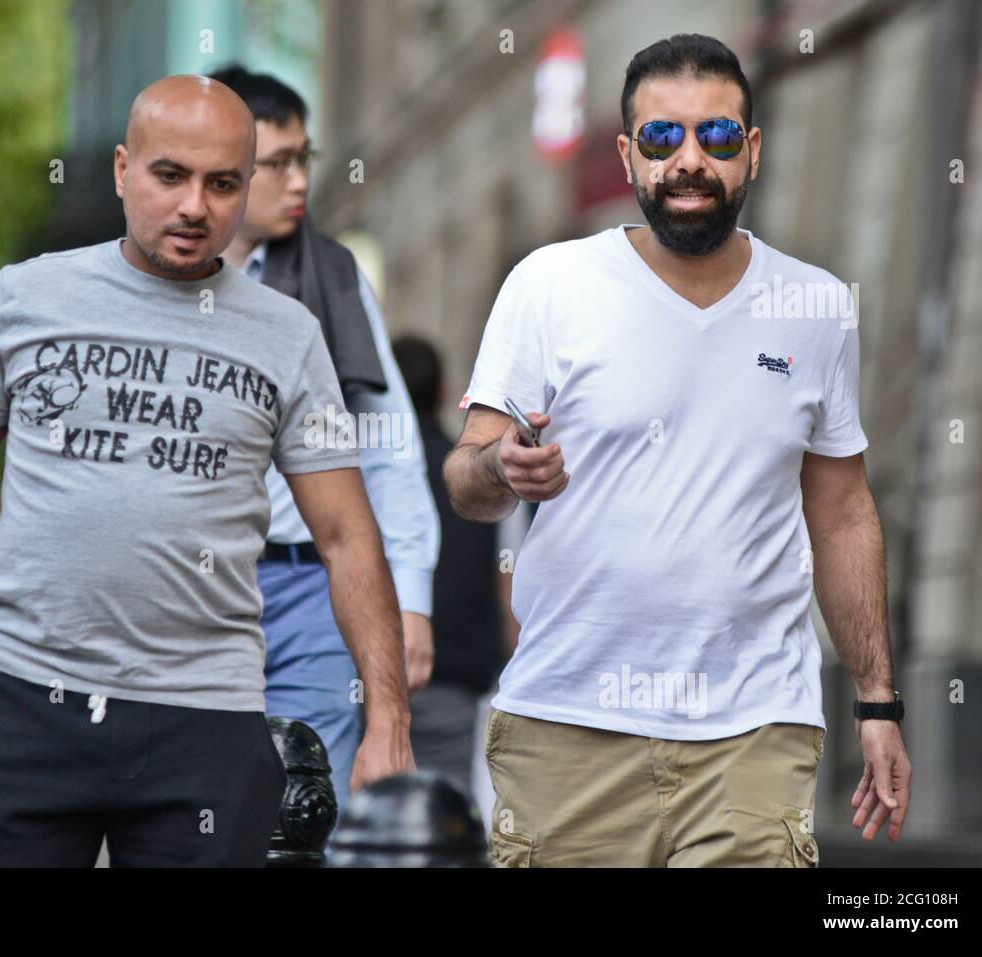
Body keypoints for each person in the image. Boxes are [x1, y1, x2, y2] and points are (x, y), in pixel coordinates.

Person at [0, 75, 414, 867]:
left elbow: (346, 536)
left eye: (222, 184)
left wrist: (388, 721)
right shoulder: (25, 298)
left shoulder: (289, 335)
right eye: (169, 175)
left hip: (204, 719)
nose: (194, 207)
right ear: (121, 169)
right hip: (23, 699)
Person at [445, 34, 912, 866]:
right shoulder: (549, 285)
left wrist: (877, 702)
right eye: (663, 137)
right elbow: (466, 478)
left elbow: (842, 512)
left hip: (754, 731)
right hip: (569, 723)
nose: (689, 159)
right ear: (628, 154)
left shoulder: (815, 306)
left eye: (716, 136)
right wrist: (500, 466)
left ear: (753, 151)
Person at [210, 65, 438, 816]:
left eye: (303, 157)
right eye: (277, 163)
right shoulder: (165, 274)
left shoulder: (334, 277)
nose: (299, 180)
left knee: (310, 810)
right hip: (196, 589)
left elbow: (389, 448)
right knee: (199, 811)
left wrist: (411, 600)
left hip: (315, 586)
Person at [391, 335, 504, 797]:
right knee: (443, 811)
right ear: (443, 391)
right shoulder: (474, 475)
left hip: (371, 670)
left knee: (366, 812)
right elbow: (503, 574)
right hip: (455, 673)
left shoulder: (367, 468)